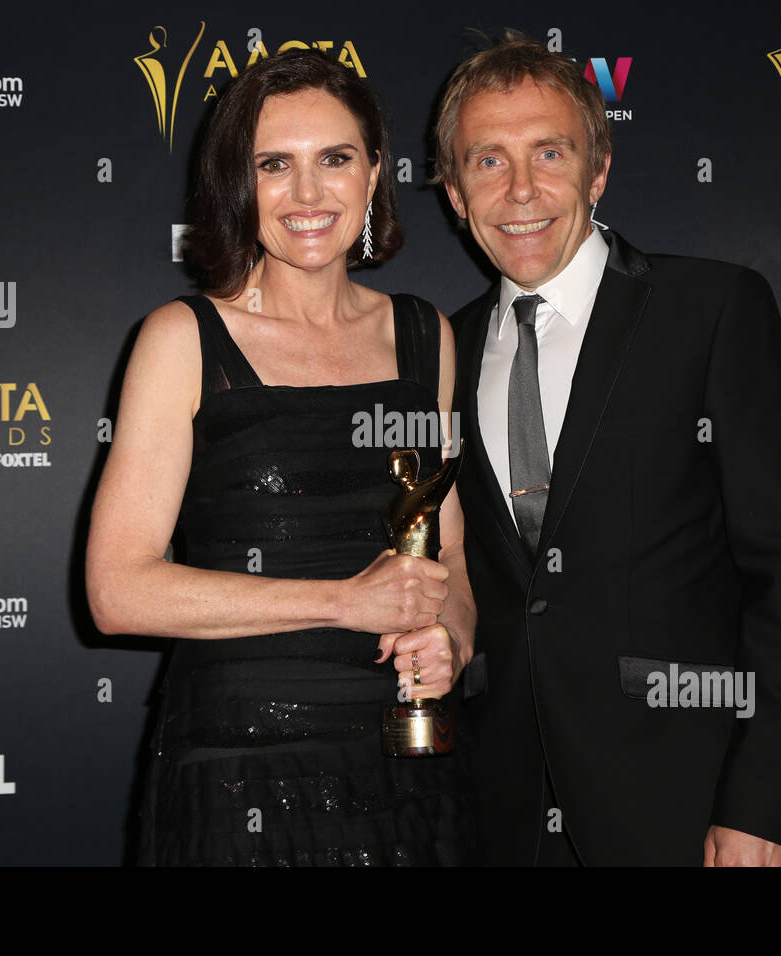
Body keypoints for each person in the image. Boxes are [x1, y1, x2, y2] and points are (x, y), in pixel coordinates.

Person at [434, 34, 781, 865]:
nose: (521, 190)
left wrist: (765, 804)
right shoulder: (443, 350)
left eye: (550, 152)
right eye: (487, 161)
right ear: (452, 192)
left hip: (689, 806)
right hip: (503, 813)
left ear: (599, 169)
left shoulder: (712, 309)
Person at [86, 49, 475, 865]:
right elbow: (118, 592)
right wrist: (342, 602)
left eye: (334, 159)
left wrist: (455, 639)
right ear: (239, 183)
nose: (307, 194)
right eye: (274, 165)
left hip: (403, 768)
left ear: (373, 174)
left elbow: (450, 559)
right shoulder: (184, 340)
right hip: (239, 772)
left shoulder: (424, 338)